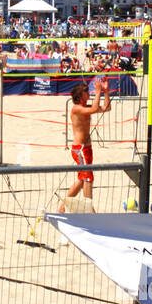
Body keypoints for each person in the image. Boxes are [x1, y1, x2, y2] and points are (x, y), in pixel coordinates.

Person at [61, 78, 112, 211]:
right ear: (79, 96)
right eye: (85, 91)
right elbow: (95, 107)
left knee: (81, 179)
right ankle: (90, 211)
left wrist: (106, 91)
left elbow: (107, 108)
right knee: (88, 178)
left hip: (87, 149)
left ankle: (61, 207)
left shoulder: (85, 107)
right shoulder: (76, 109)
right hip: (79, 149)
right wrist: (98, 91)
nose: (88, 92)